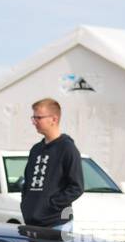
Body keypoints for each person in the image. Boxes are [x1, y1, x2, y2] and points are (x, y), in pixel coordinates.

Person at [20, 98, 83, 231]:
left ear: (53, 119)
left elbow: (76, 187)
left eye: (38, 118)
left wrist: (51, 204)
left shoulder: (67, 148)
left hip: (57, 224)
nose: (34, 122)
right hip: (32, 223)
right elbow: (27, 183)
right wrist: (26, 204)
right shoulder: (36, 149)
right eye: (33, 117)